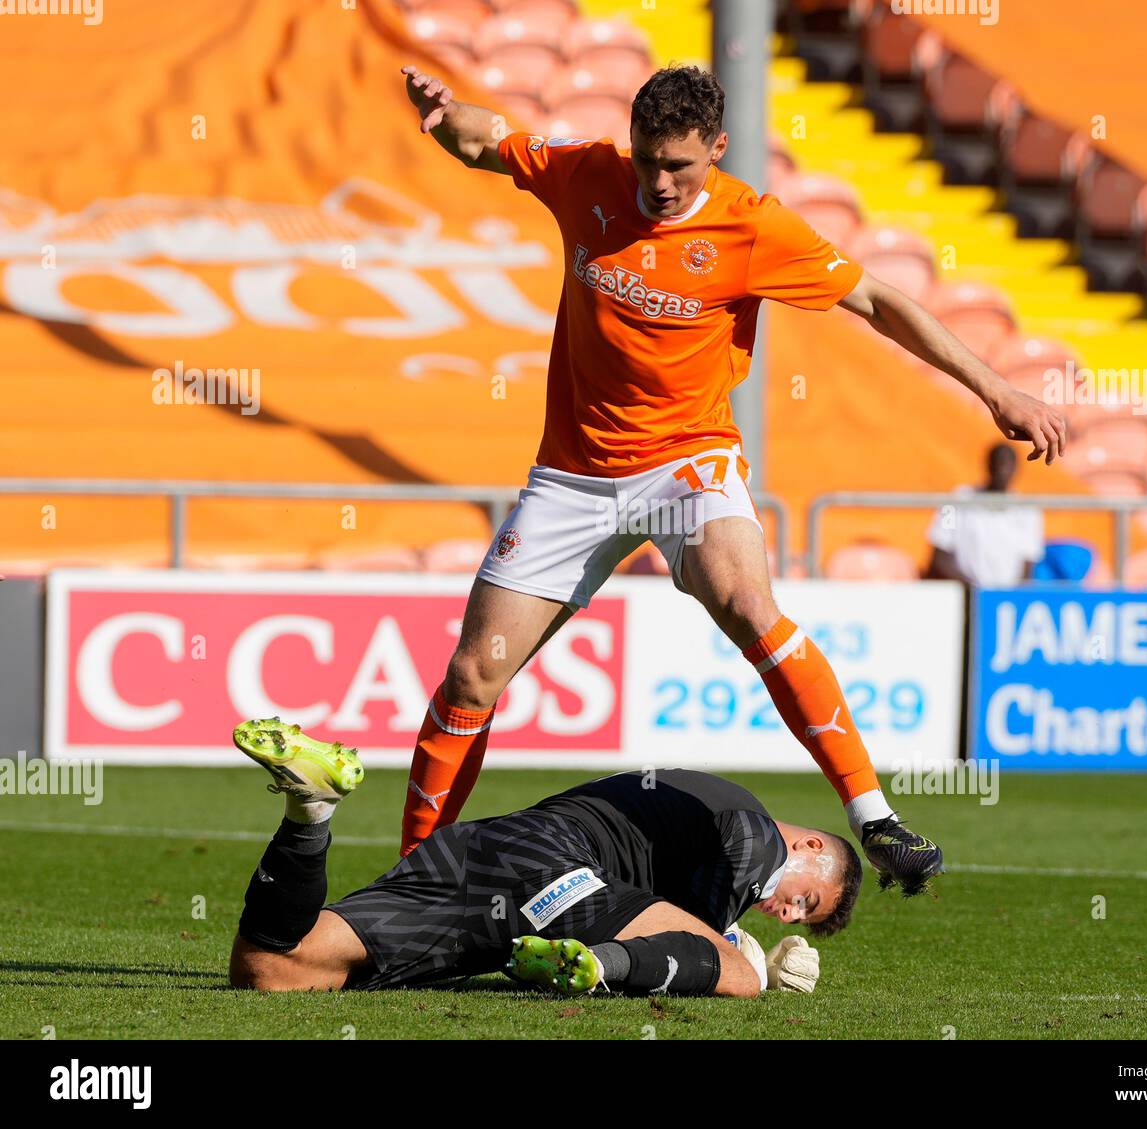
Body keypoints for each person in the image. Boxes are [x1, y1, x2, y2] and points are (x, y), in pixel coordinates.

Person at [392, 63, 1067, 893]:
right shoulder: (587, 173)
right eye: (647, 160)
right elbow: (488, 141)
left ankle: (874, 815)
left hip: (688, 461)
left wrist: (996, 388)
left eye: (679, 165)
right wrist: (447, 113)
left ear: (717, 147)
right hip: (572, 474)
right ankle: (414, 878)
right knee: (472, 673)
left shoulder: (756, 228)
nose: (659, 183)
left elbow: (883, 302)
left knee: (748, 603)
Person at [227, 719, 854, 997]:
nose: (788, 911)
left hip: (476, 851)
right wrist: (743, 955)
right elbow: (741, 860)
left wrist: (729, 933)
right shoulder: (754, 830)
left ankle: (309, 815)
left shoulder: (698, 818)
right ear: (810, 846)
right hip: (552, 870)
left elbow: (676, 903)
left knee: (278, 969)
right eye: (806, 899)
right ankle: (598, 964)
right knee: (736, 977)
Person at [925, 443, 1046, 587]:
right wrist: (973, 590)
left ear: (1016, 469)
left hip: (1003, 602)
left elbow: (1028, 566)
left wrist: (1006, 597)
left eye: (1007, 465)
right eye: (999, 463)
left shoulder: (1028, 512)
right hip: (965, 597)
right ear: (988, 465)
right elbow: (939, 556)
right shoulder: (954, 501)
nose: (1002, 471)